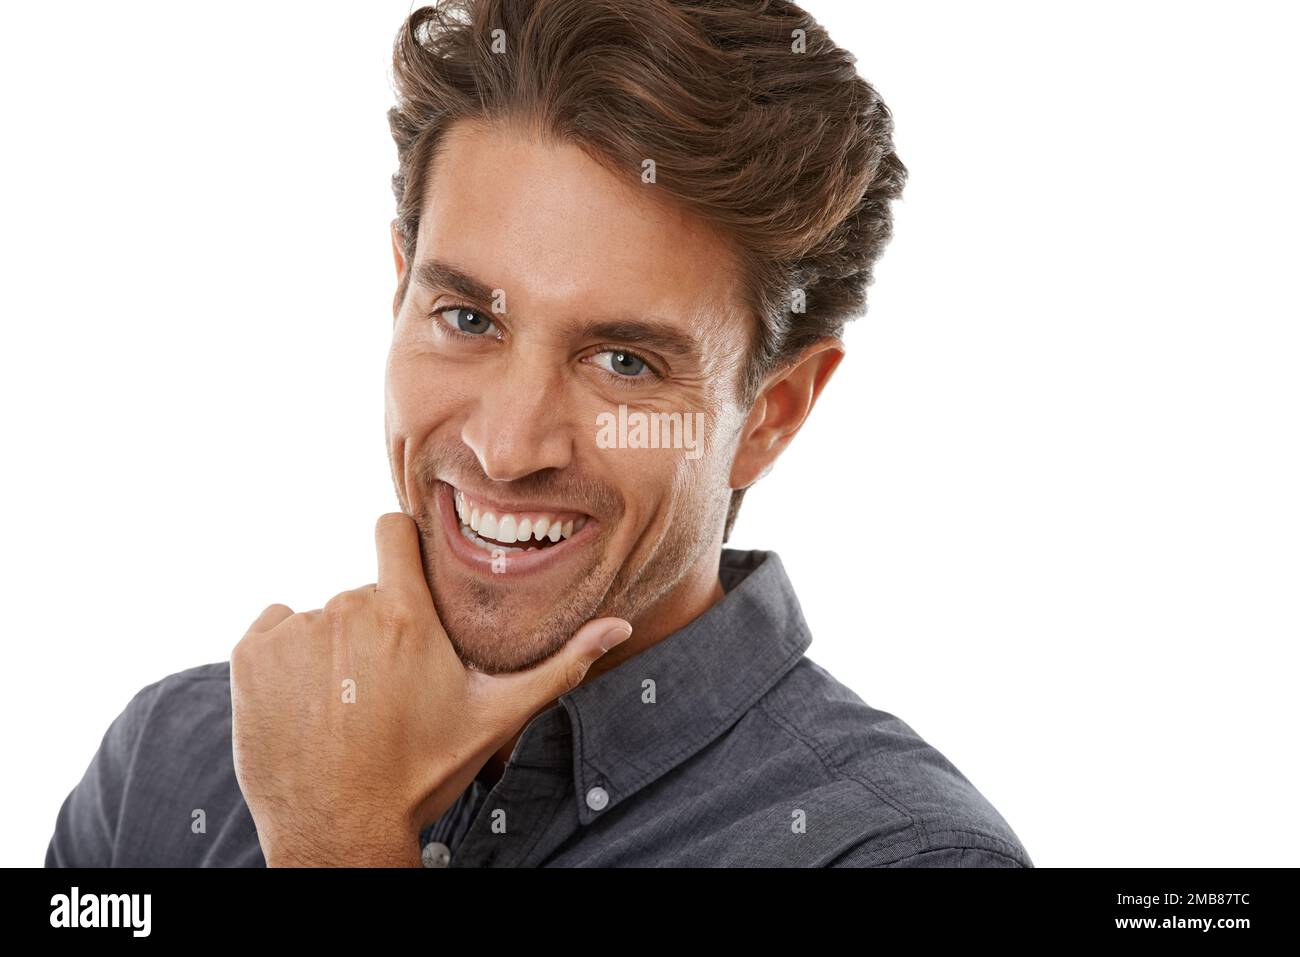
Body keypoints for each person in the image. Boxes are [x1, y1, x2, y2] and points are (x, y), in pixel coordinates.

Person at [46, 0, 1031, 868]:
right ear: (399, 290)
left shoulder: (897, 853)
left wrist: (333, 841)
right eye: (468, 320)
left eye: (624, 362)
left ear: (769, 414)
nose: (509, 449)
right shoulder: (169, 760)